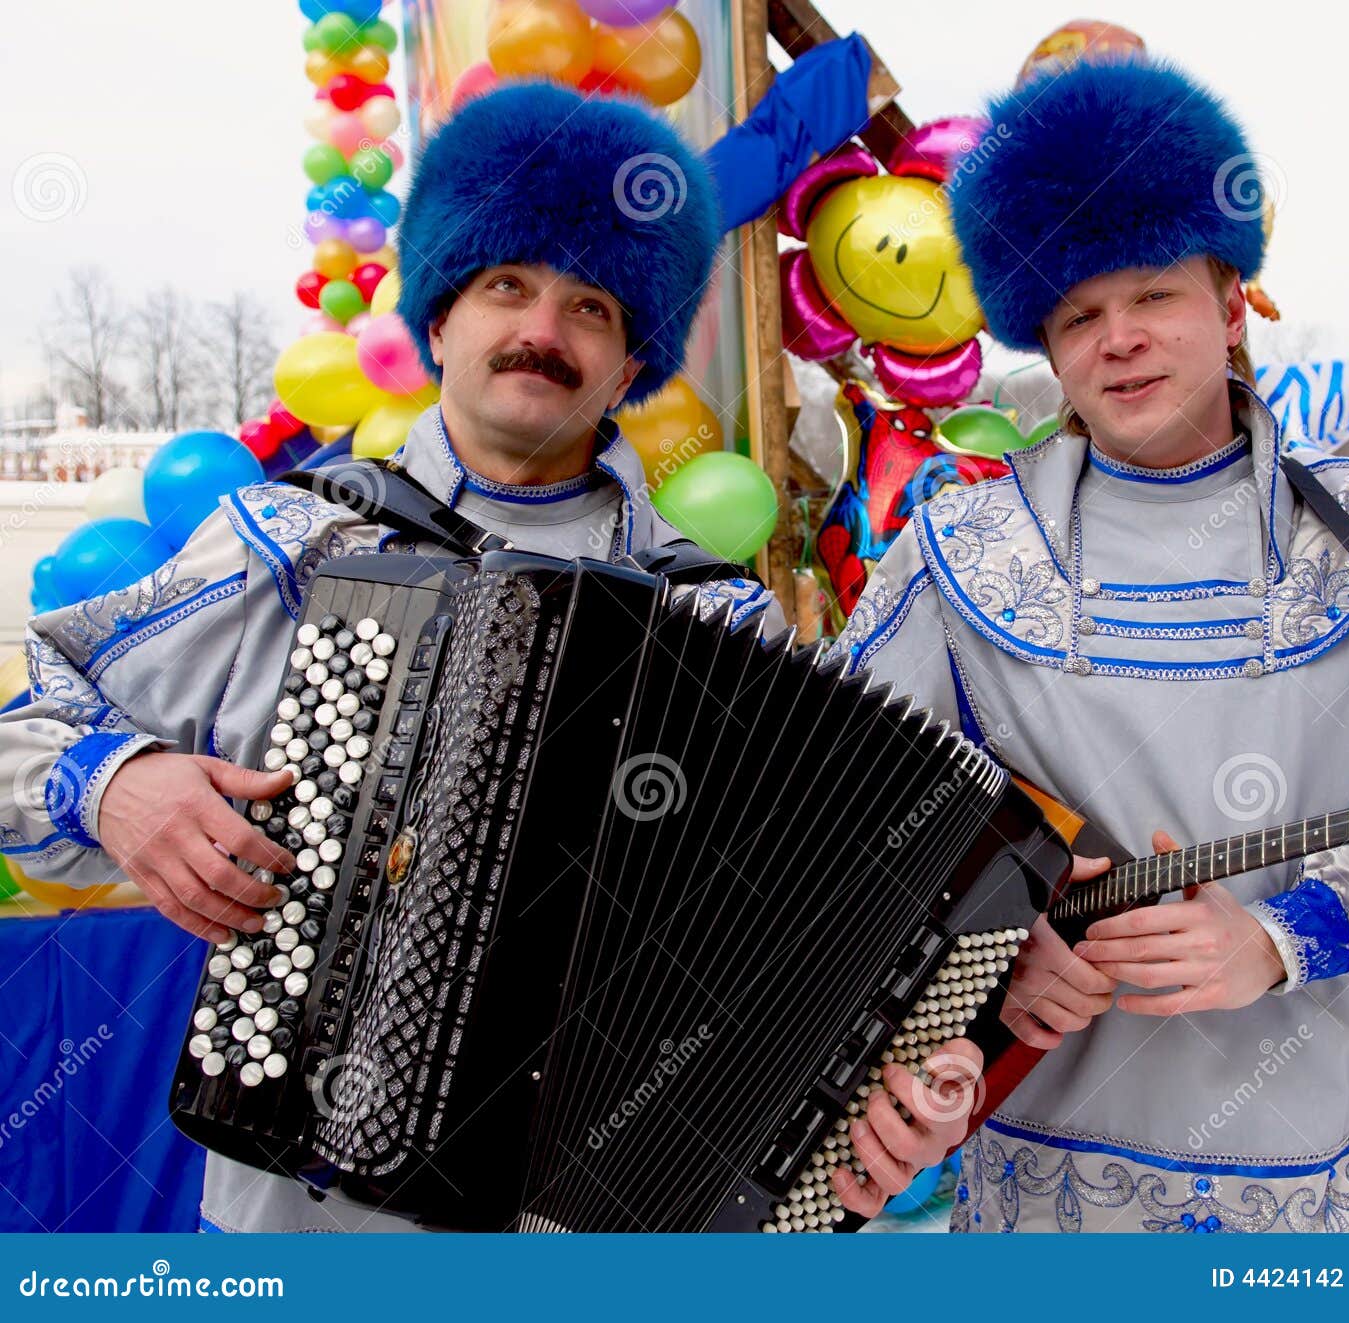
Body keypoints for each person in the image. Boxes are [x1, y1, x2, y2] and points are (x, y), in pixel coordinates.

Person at [1, 82, 970, 1232]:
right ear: (441, 319)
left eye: (592, 308)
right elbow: (28, 721)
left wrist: (887, 1100)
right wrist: (116, 786)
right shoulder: (293, 539)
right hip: (306, 1234)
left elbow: (813, 949)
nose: (543, 333)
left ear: (628, 366)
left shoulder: (718, 623)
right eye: (508, 284)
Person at [832, 57, 1349, 1232]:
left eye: (1152, 293)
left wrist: (1285, 937)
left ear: (1230, 302)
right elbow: (841, 824)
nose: (1117, 339)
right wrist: (981, 951)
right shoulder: (957, 556)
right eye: (1076, 312)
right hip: (1050, 1216)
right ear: (1045, 344)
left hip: (1344, 1201)